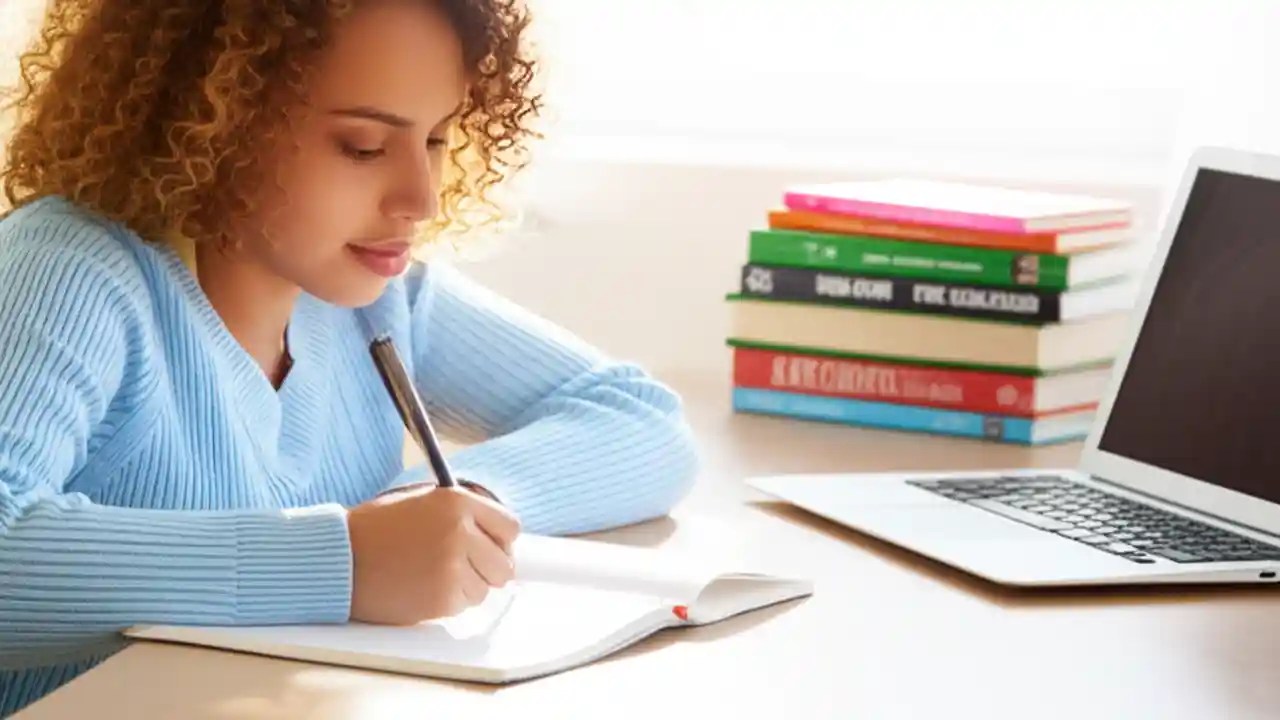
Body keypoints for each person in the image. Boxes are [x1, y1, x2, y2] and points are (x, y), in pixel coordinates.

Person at [0, 0, 699, 713]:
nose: (422, 199)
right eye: (364, 146)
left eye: (435, 139)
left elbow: (639, 419)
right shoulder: (69, 269)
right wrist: (344, 562)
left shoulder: (371, 298)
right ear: (209, 120)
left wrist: (459, 515)